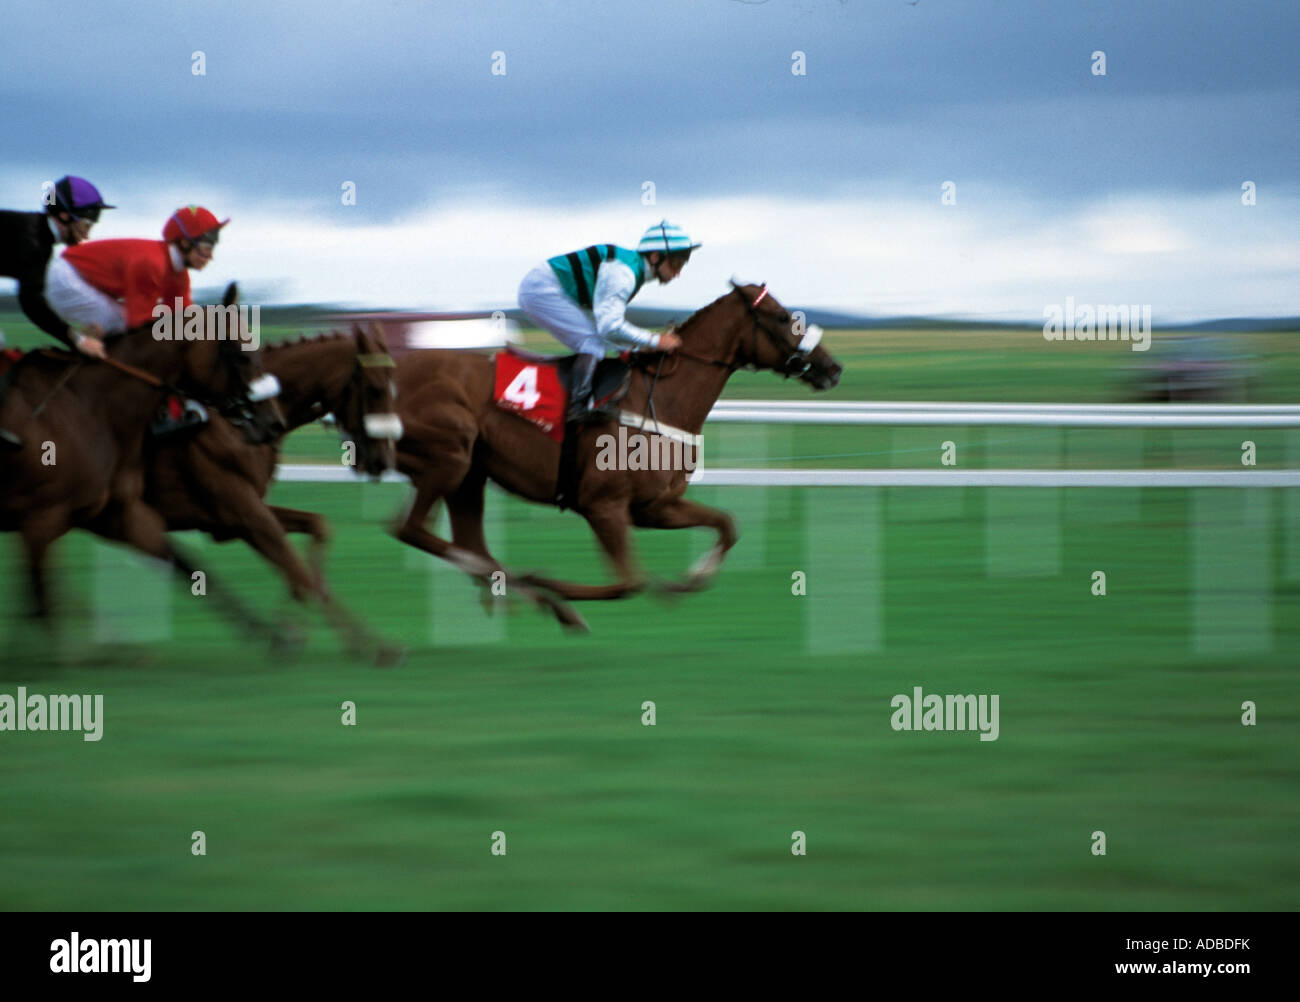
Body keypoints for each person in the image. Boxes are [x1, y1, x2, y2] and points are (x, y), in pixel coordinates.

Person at [0, 205, 228, 450]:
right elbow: (139, 326)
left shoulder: (178, 275)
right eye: (206, 246)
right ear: (184, 242)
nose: (210, 255)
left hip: (84, 280)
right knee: (135, 331)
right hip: (63, 280)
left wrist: (214, 328)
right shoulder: (151, 263)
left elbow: (185, 320)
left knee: (158, 334)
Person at [517, 220, 699, 425]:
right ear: (655, 257)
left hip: (562, 291)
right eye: (676, 263)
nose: (679, 272)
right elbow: (609, 327)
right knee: (592, 343)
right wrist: (655, 340)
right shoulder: (624, 274)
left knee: (604, 343)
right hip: (541, 290)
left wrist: (637, 345)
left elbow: (609, 328)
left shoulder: (633, 270)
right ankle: (577, 409)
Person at [0, 176, 114, 449]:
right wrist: (77, 340)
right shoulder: (33, 240)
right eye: (86, 224)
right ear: (63, 215)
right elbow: (33, 305)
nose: (88, 233)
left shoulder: (38, 236)